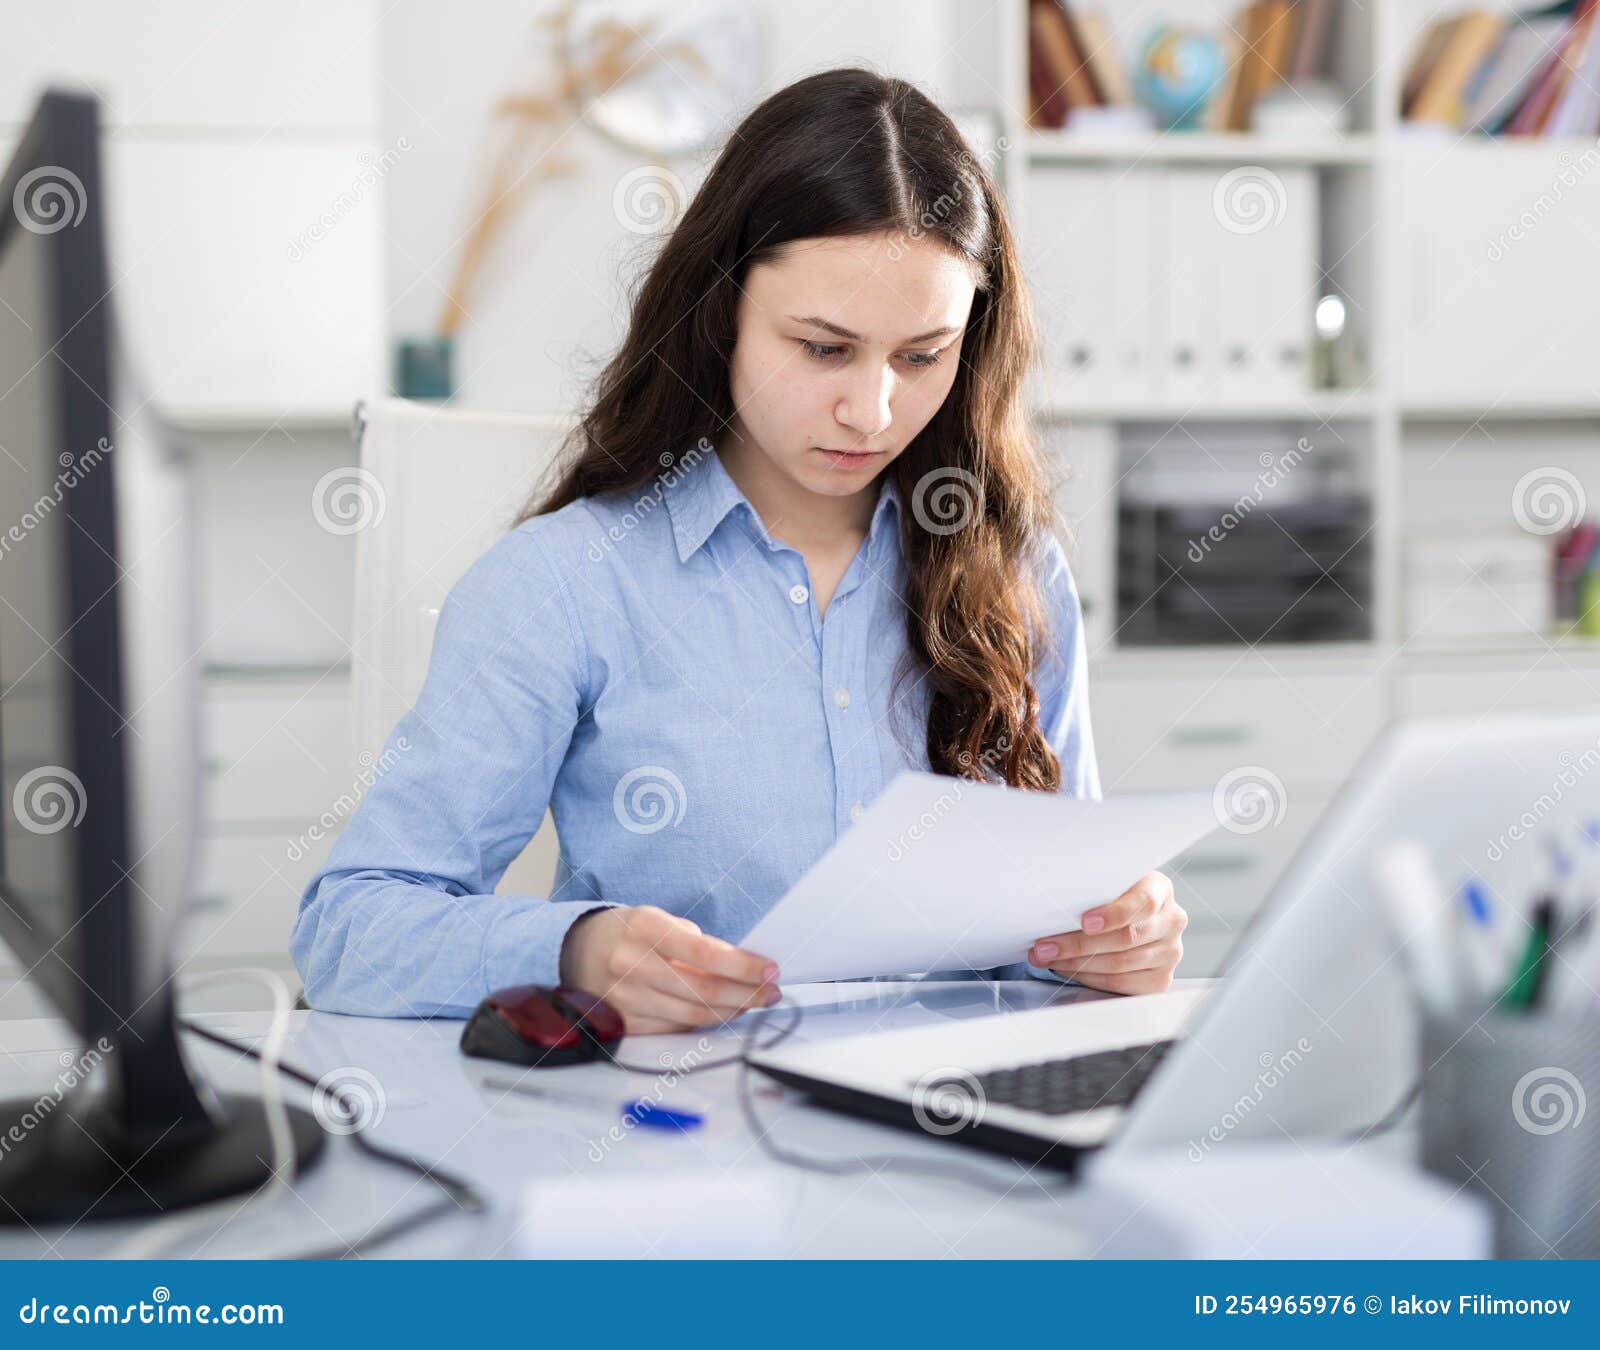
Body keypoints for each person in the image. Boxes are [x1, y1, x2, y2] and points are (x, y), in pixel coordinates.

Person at [292, 68, 1187, 1032]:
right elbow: (350, 931)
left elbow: (1056, 920)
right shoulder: (562, 586)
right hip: (681, 1111)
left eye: (921, 356)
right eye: (823, 348)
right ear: (720, 313)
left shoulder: (1018, 573)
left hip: (963, 1106)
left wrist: (1109, 942)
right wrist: (575, 951)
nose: (871, 411)